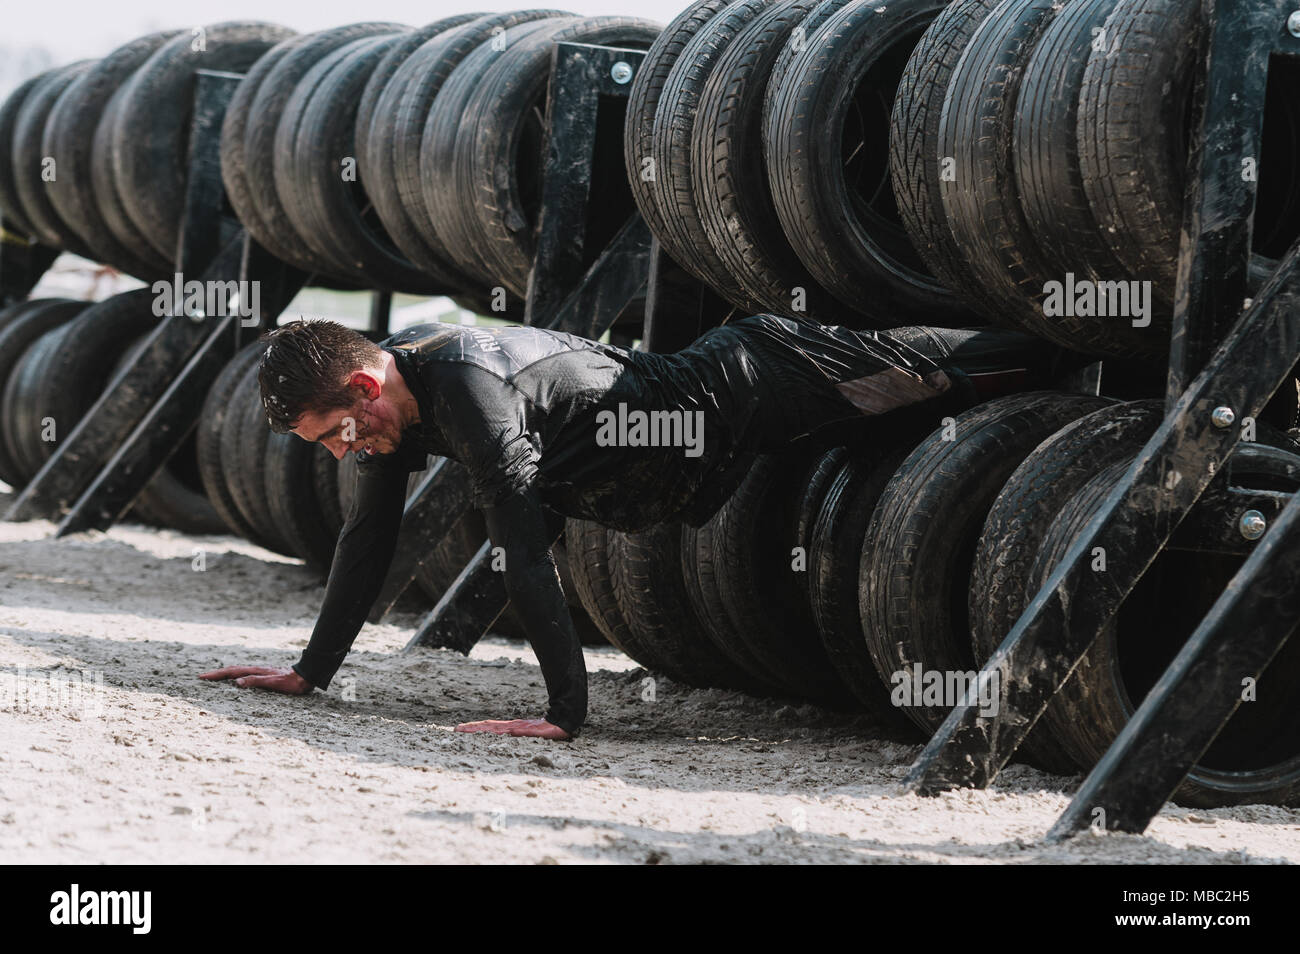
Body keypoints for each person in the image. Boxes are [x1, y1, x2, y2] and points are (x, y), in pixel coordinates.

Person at [201, 312, 1069, 739]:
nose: (343, 451)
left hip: (750, 385)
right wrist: (310, 673)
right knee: (935, 385)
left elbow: (523, 551)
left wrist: (562, 716)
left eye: (337, 433)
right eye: (327, 446)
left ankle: (1108, 347)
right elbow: (367, 539)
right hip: (724, 451)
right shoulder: (389, 402)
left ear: (362, 388)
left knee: (975, 373)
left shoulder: (468, 390)